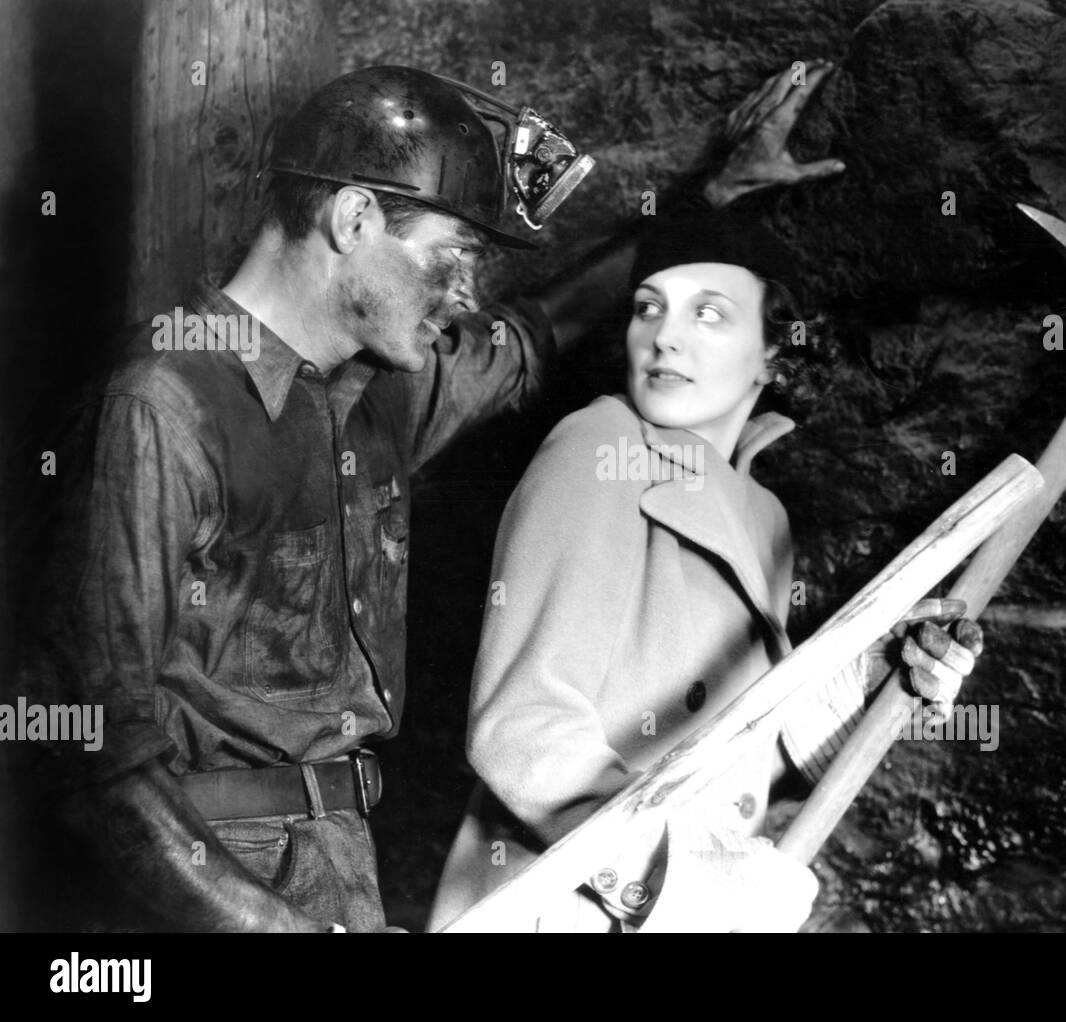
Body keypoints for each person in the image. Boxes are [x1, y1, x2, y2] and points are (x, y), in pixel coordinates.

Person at [12, 62, 846, 933]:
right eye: (450, 260)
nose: (465, 295)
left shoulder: (378, 396)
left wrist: (704, 201)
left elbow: (534, 338)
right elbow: (86, 742)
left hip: (338, 869)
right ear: (354, 217)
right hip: (198, 894)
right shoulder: (162, 405)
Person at [430, 210, 984, 932]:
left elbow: (751, 761)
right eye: (649, 307)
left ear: (773, 355)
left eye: (710, 314)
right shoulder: (599, 445)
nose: (664, 334)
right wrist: (677, 881)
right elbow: (523, 732)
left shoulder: (764, 516)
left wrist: (878, 676)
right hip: (568, 908)